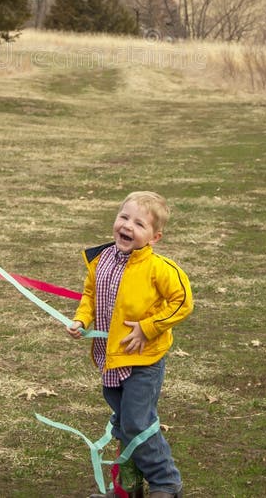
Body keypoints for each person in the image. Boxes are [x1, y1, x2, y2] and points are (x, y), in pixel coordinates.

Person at [67, 191, 193, 498]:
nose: (128, 226)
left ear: (154, 237)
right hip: (110, 359)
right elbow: (90, 296)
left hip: (143, 361)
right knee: (123, 424)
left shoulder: (159, 268)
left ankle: (166, 482)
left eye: (139, 223)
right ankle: (128, 488)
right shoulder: (101, 259)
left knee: (138, 423)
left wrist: (149, 327)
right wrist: (82, 320)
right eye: (124, 217)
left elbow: (183, 301)